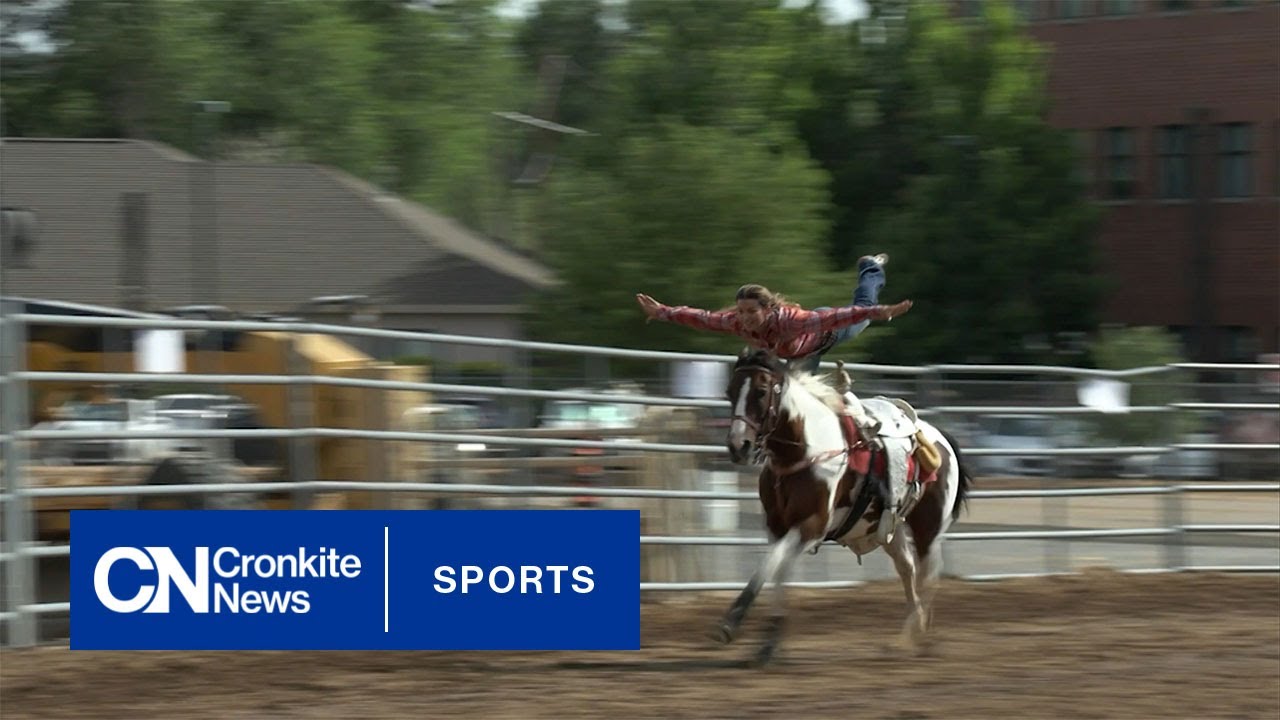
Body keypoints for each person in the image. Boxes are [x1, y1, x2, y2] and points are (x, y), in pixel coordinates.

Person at [635, 253, 910, 440]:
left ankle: (870, 266)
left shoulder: (790, 321)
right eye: (741, 311)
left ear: (767, 309)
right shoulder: (736, 322)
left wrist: (879, 313)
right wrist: (663, 312)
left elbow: (833, 317)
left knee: (864, 308)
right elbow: (702, 318)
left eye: (751, 311)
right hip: (795, 356)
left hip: (827, 334)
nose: (744, 317)